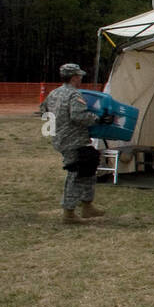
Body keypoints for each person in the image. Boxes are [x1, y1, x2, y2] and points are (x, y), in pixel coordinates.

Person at [41, 63, 110, 224]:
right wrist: (98, 119)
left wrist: (56, 128)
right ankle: (69, 212)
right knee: (76, 173)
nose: (80, 79)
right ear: (74, 78)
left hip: (62, 138)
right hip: (74, 140)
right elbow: (78, 116)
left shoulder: (54, 93)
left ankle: (87, 205)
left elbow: (44, 111)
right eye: (79, 76)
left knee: (90, 165)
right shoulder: (74, 94)